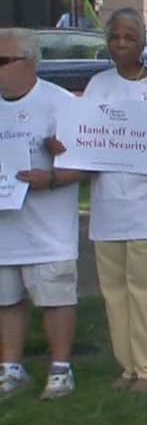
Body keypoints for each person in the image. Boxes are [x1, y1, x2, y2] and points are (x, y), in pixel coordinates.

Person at [75, 9, 147, 393]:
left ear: (143, 43)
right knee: (115, 290)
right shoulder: (97, 85)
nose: (121, 44)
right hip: (108, 205)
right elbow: (85, 134)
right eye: (114, 38)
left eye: (128, 37)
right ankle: (128, 366)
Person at [0, 28, 87, 401]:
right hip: (6, 228)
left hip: (48, 228)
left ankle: (60, 368)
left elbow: (87, 164)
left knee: (55, 298)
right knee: (6, 300)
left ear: (30, 63)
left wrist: (51, 176)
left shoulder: (61, 104)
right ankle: (11, 368)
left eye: (4, 61)